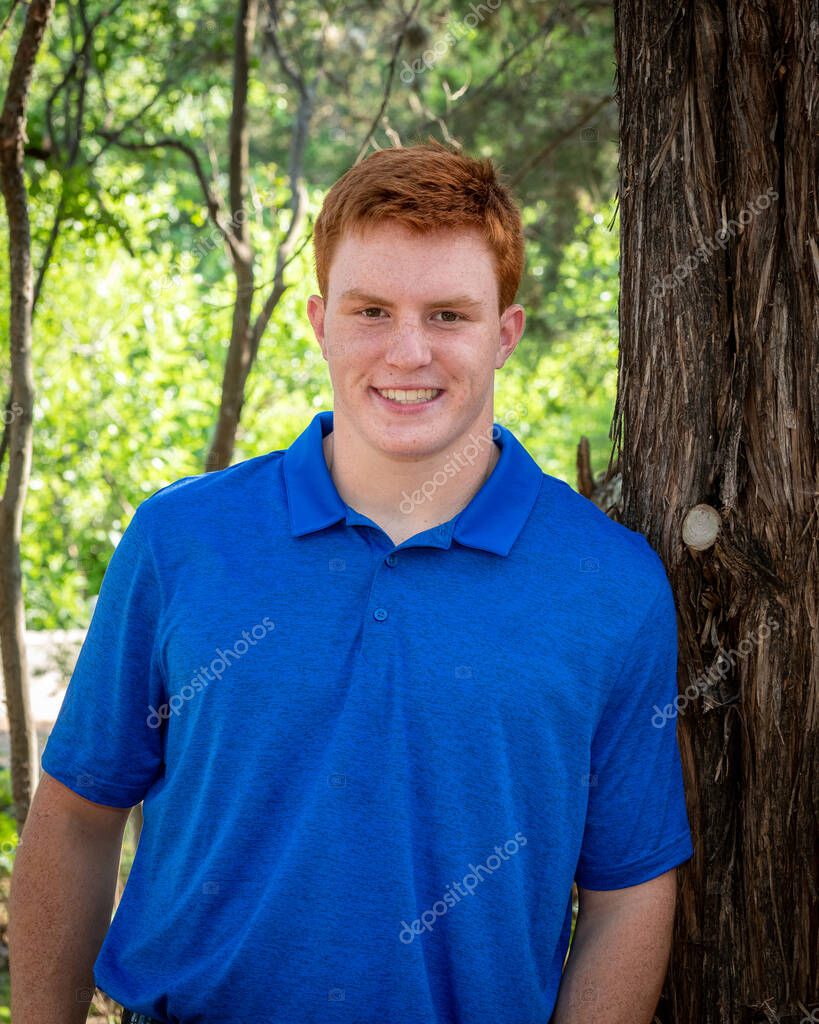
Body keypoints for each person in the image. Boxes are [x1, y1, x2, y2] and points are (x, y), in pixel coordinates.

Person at [10, 140, 694, 1024]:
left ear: (504, 333)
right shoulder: (183, 539)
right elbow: (76, 817)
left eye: (448, 315)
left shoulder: (610, 584)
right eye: (371, 310)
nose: (407, 352)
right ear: (319, 321)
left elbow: (628, 889)